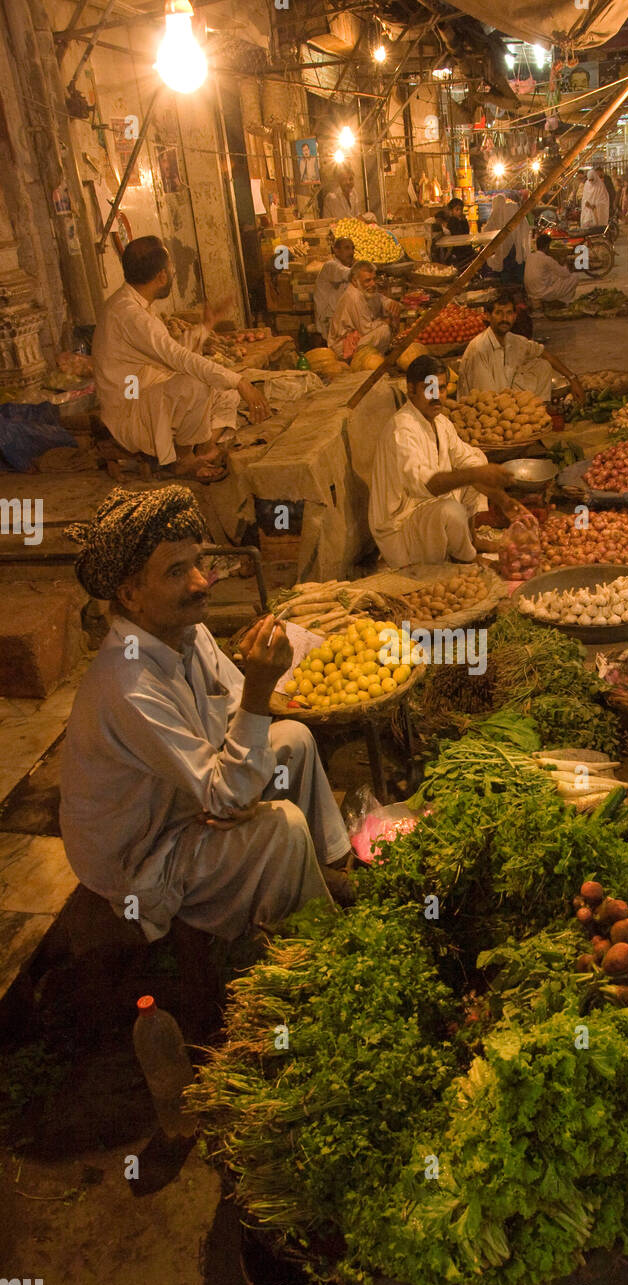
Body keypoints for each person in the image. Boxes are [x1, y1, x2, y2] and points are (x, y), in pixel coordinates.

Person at [60, 487, 351, 945]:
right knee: (283, 828)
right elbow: (230, 784)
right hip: (145, 855)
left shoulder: (187, 632)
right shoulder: (127, 683)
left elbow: (237, 716)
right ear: (130, 594)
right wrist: (259, 690)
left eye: (197, 563)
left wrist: (232, 792)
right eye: (177, 572)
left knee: (293, 739)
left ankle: (331, 869)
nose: (200, 582)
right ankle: (315, 943)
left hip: (192, 803)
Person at [91, 236, 270, 484]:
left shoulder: (133, 303)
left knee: (223, 388)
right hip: (129, 408)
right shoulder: (129, 314)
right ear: (162, 277)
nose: (174, 273)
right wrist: (240, 381)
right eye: (172, 268)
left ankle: (205, 450)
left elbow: (168, 353)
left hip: (145, 393)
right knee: (196, 384)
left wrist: (206, 326)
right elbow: (177, 358)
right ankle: (182, 460)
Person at [369, 354, 520, 568]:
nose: (437, 396)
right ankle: (466, 558)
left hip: (427, 510)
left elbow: (468, 463)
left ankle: (470, 540)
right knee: (452, 509)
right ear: (411, 389)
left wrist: (502, 500)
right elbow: (429, 483)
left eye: (441, 388)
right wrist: (477, 475)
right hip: (401, 528)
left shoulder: (440, 422)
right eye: (429, 388)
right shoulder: (402, 429)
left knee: (476, 459)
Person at [457, 290, 583, 402]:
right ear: (488, 316)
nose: (504, 318)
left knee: (542, 366)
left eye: (509, 313)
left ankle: (540, 407)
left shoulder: (514, 340)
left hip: (506, 398)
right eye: (499, 313)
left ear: (514, 316)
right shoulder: (479, 349)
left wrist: (573, 379)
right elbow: (484, 399)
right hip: (484, 407)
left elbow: (546, 355)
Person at [327, 260, 400, 361]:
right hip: (343, 347)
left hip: (359, 339)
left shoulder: (366, 290)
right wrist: (385, 321)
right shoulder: (353, 296)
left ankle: (374, 359)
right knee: (384, 331)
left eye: (374, 279)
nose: (373, 284)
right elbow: (365, 329)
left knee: (386, 327)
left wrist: (392, 303)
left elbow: (381, 299)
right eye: (367, 280)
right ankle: (370, 360)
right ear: (354, 281)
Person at [524, 232, 582, 304]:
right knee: (575, 277)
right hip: (543, 293)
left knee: (555, 277)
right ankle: (564, 302)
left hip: (531, 292)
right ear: (547, 246)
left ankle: (561, 301)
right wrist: (566, 265)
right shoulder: (546, 259)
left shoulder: (530, 256)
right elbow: (566, 274)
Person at [313, 237, 354, 339]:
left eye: (353, 248)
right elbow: (346, 273)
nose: (351, 252)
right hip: (329, 321)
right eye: (347, 248)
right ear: (336, 250)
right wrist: (368, 267)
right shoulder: (331, 265)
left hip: (338, 318)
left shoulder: (346, 266)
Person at [485, 193, 530, 275]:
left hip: (506, 249)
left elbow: (487, 230)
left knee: (504, 266)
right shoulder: (512, 209)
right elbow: (525, 227)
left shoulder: (497, 212)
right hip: (515, 247)